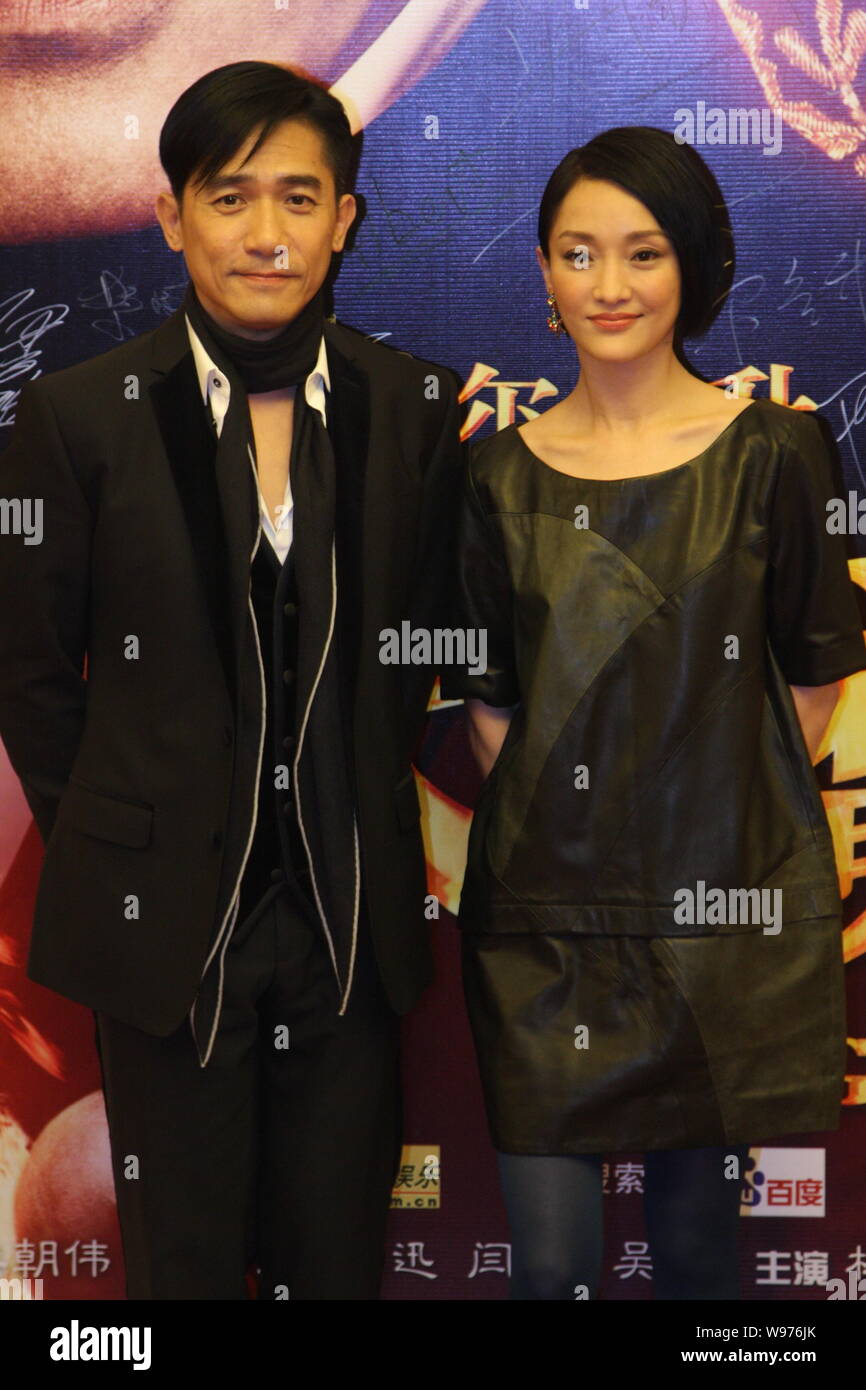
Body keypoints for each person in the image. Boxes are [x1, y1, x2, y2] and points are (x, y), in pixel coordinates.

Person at [0, 61, 462, 1300]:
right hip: (165, 936)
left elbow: (427, 646)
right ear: (172, 217)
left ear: (344, 221)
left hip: (347, 920)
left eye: (299, 199)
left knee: (334, 1259)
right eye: (229, 196)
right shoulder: (77, 415)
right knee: (181, 1268)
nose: (266, 234)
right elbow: (34, 674)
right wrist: (123, 830)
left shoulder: (412, 410)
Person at [441, 126, 866, 1301]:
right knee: (553, 1271)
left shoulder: (774, 452)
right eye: (577, 253)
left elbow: (813, 679)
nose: (609, 285)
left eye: (641, 252)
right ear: (541, 272)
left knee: (692, 1261)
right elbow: (492, 713)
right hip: (538, 933)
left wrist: (698, 804)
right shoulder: (493, 476)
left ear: (691, 268)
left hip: (718, 924)